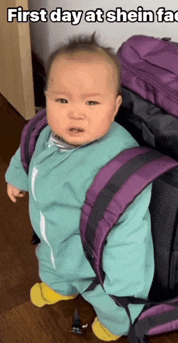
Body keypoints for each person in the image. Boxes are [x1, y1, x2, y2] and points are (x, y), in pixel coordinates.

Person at [5, 33, 154, 341]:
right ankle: (59, 286)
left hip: (93, 266)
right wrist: (16, 177)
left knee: (105, 296)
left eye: (91, 101)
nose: (75, 112)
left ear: (114, 108)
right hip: (53, 238)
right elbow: (29, 151)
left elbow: (130, 239)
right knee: (50, 262)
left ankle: (116, 324)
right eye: (62, 99)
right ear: (46, 98)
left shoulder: (117, 165)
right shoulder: (47, 129)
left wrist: (124, 287)